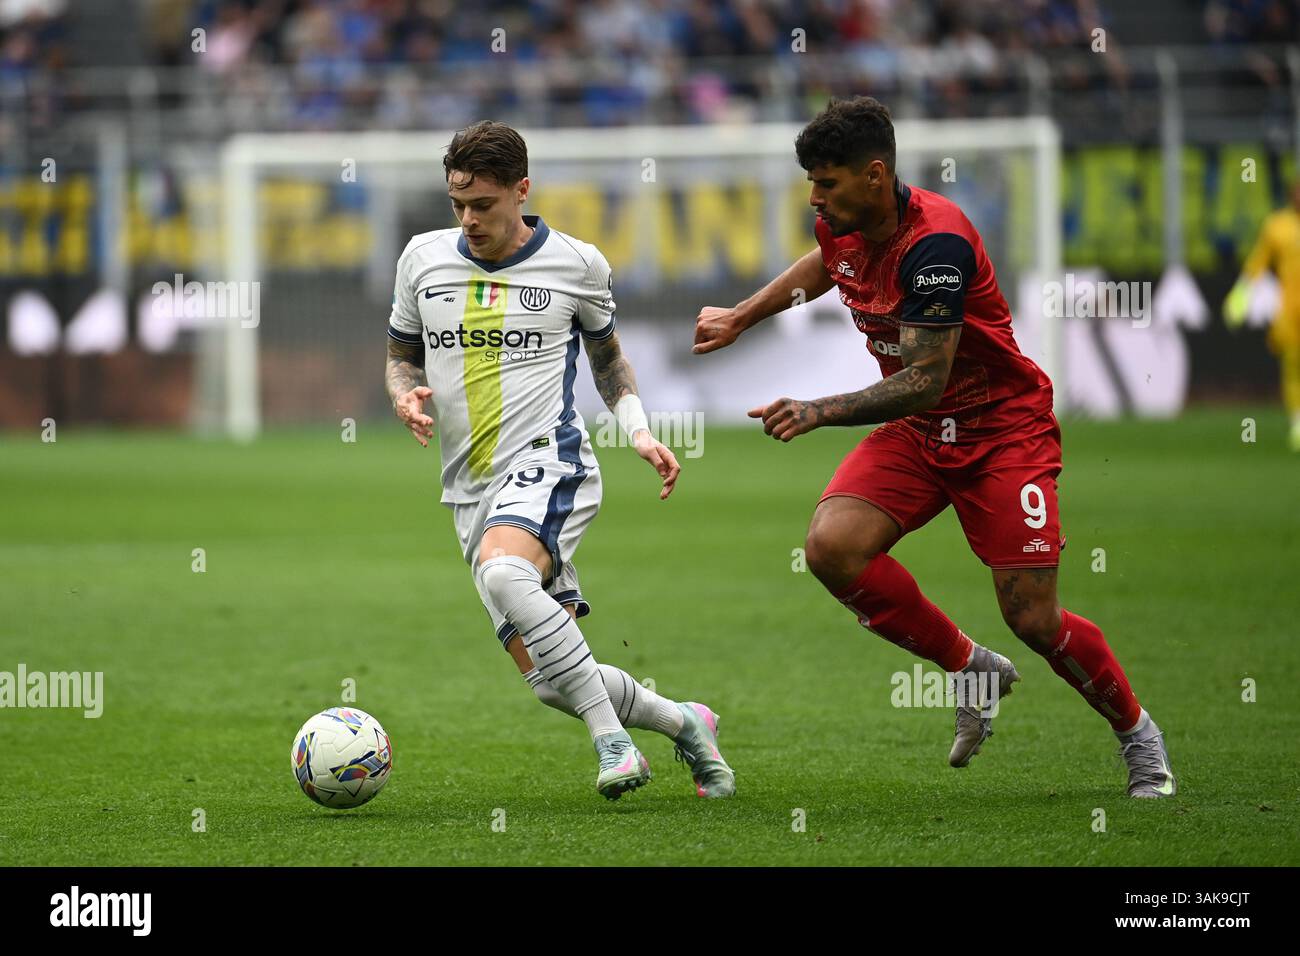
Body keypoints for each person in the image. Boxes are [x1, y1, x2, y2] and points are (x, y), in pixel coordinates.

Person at [693, 97, 1174, 798]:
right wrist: (744, 315)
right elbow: (823, 265)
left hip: (1000, 430)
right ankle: (970, 666)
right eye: (812, 183)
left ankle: (1139, 738)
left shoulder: (936, 246)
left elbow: (925, 379)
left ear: (874, 176)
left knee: (1033, 618)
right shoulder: (842, 223)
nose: (814, 199)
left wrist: (819, 409)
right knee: (833, 548)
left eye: (826, 183)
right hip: (922, 435)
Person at [387, 121, 735, 800]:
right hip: (469, 490)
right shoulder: (421, 260)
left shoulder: (576, 263)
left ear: (522, 190)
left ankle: (614, 744)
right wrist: (405, 397)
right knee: (551, 681)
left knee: (503, 570)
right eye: (457, 203)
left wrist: (636, 430)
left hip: (552, 461)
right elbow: (401, 356)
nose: (468, 219)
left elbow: (609, 364)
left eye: (482, 204)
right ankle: (686, 722)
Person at [1224, 179, 1300, 451]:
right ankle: (1297, 422)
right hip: (1290, 309)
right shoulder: (1277, 226)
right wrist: (1239, 296)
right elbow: (1258, 263)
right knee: (1292, 363)